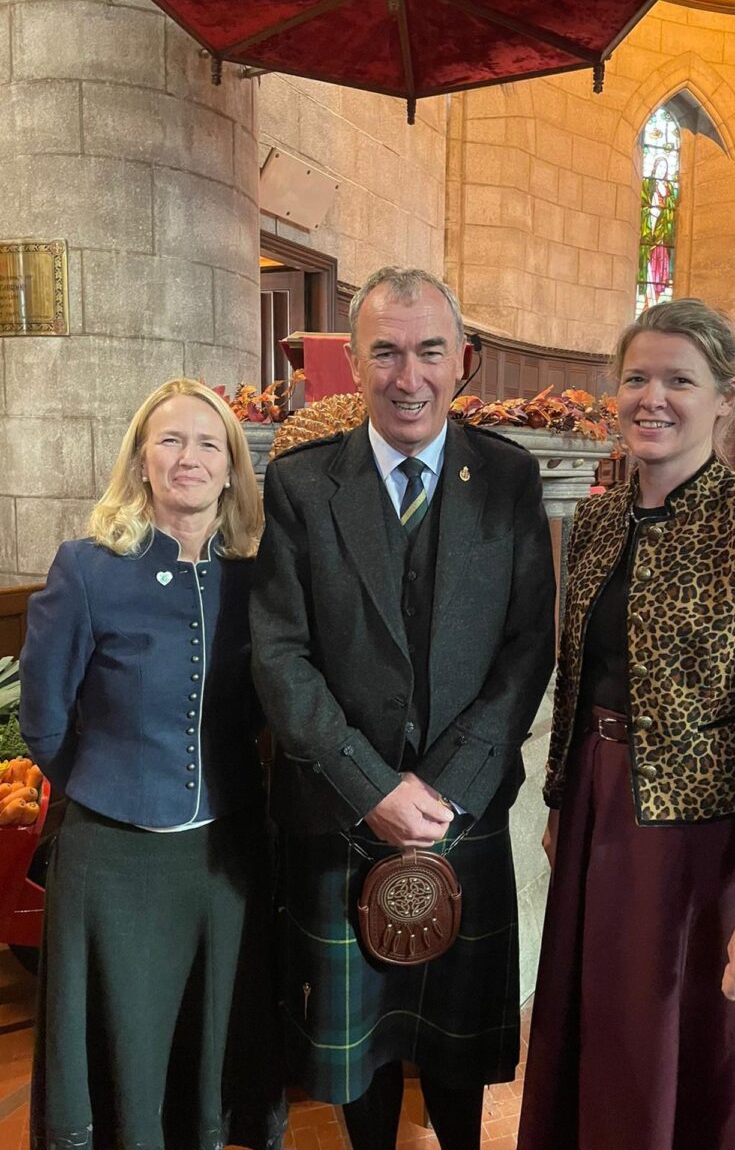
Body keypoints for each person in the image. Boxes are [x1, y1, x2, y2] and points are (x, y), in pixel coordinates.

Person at [250, 266, 556, 1150]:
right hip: (342, 810)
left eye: (429, 351)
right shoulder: (302, 485)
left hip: (464, 808)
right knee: (362, 1045)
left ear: (462, 360)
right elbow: (279, 653)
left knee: (457, 1040)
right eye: (384, 352)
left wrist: (450, 786)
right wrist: (370, 787)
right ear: (353, 363)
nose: (408, 376)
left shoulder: (507, 478)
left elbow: (528, 643)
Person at [518, 299, 735, 1150]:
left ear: (726, 398)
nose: (651, 398)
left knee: (697, 1060)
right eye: (636, 378)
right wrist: (560, 800)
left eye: (679, 381)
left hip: (707, 846)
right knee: (607, 1043)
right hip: (600, 814)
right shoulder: (598, 520)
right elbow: (578, 679)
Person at [20, 378, 285, 1150]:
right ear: (141, 461)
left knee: (212, 1042)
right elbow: (43, 720)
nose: (188, 457)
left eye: (208, 443)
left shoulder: (257, 579)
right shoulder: (87, 568)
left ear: (232, 469)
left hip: (223, 859)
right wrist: (110, 787)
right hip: (113, 862)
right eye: (169, 440)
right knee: (122, 1048)